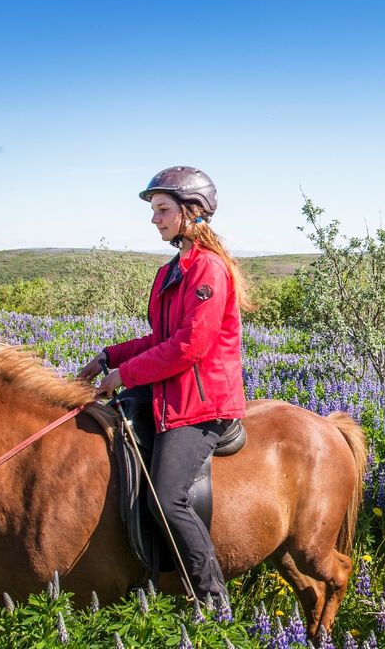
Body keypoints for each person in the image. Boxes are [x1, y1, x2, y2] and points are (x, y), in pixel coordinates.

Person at [76, 165, 250, 606]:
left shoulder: (209, 269)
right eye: (154, 210)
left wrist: (124, 375)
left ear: (192, 213)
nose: (154, 219)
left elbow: (189, 347)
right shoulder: (172, 270)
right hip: (168, 395)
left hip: (203, 404)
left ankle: (212, 597)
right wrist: (109, 357)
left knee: (167, 498)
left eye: (162, 210)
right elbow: (161, 339)